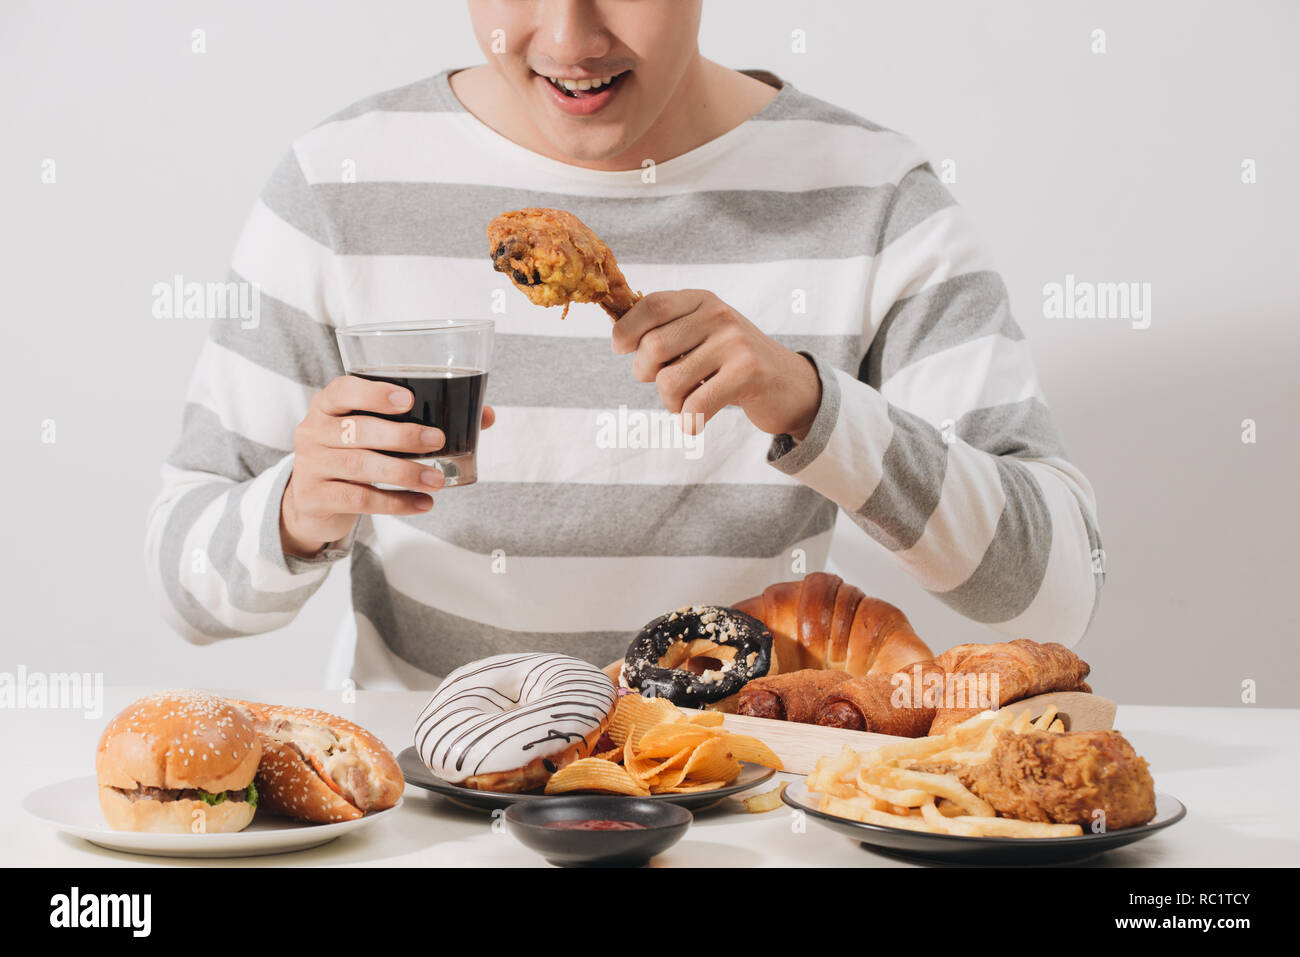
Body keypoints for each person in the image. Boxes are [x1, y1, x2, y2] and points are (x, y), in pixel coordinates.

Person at [146, 0, 1103, 689]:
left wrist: (817, 407)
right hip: (434, 812)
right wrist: (299, 508)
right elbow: (183, 586)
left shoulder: (876, 195)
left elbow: (1054, 596)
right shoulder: (338, 183)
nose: (568, 38)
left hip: (746, 806)